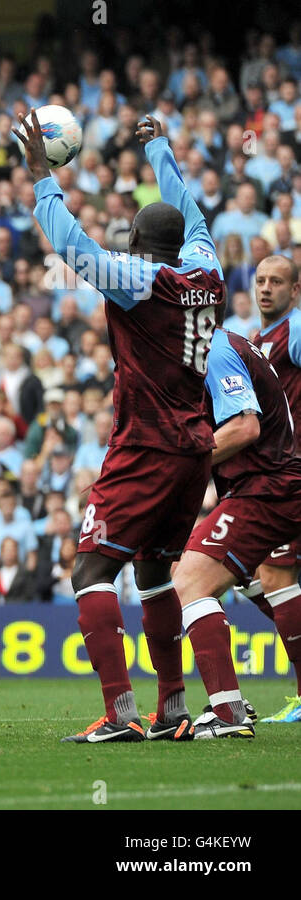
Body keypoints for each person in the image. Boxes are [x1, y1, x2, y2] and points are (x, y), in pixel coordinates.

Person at [15, 113, 225, 743]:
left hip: (145, 447)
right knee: (156, 574)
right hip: (195, 450)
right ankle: (172, 708)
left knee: (90, 571)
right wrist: (159, 148)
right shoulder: (207, 271)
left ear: (136, 242)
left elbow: (74, 250)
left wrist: (42, 180)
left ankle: (120, 713)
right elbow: (194, 215)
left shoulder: (140, 281)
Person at [171, 327, 301, 737]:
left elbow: (245, 428)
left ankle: (227, 713)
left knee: (191, 582)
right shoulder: (237, 342)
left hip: (267, 487)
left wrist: (178, 467)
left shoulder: (216, 351)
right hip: (275, 483)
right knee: (265, 582)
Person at [243, 254, 301, 724]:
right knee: (250, 576)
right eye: (261, 280)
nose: (266, 288)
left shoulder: (296, 330)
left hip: (292, 477)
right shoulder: (257, 338)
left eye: (277, 281)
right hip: (272, 478)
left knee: (276, 578)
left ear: (295, 291)